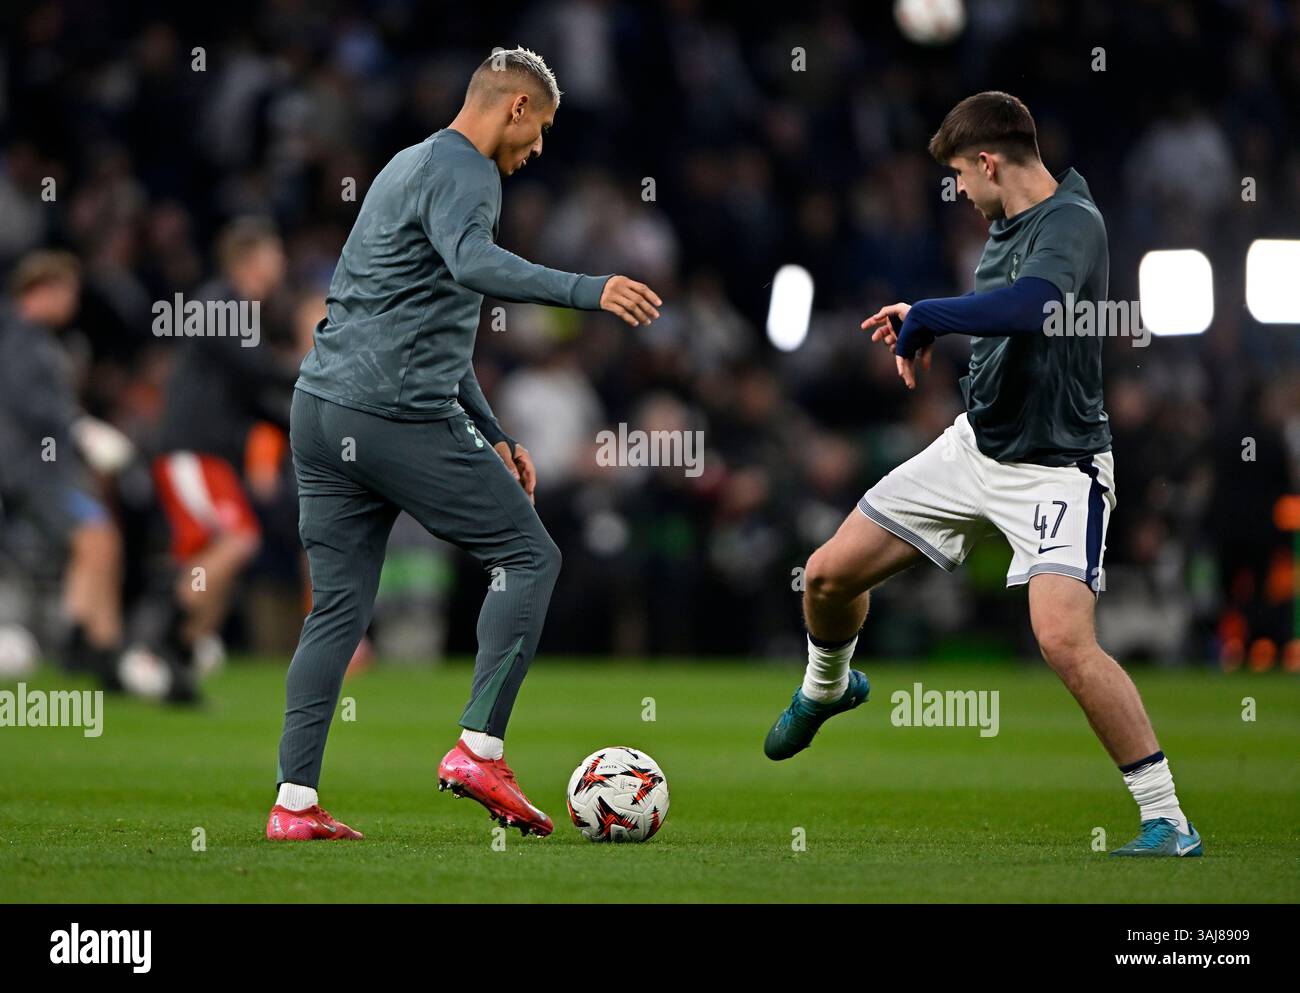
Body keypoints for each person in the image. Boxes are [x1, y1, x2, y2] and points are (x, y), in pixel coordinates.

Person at [764, 92, 1202, 858]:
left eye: (962, 174)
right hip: (974, 449)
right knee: (827, 577)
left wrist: (935, 311)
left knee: (1063, 641)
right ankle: (828, 685)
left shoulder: (1073, 220)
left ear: (990, 160)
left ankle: (1168, 818)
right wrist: (931, 320)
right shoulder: (1006, 227)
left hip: (1057, 468)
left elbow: (1035, 306)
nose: (959, 191)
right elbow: (1001, 313)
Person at [267, 47, 661, 841]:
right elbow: (472, 262)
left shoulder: (405, 165)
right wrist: (589, 290)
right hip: (389, 414)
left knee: (338, 612)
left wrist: (494, 431)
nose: (539, 149)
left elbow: (426, 326)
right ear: (515, 107)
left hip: (320, 411)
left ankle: (294, 803)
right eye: (541, 129)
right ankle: (479, 748)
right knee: (530, 555)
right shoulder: (470, 174)